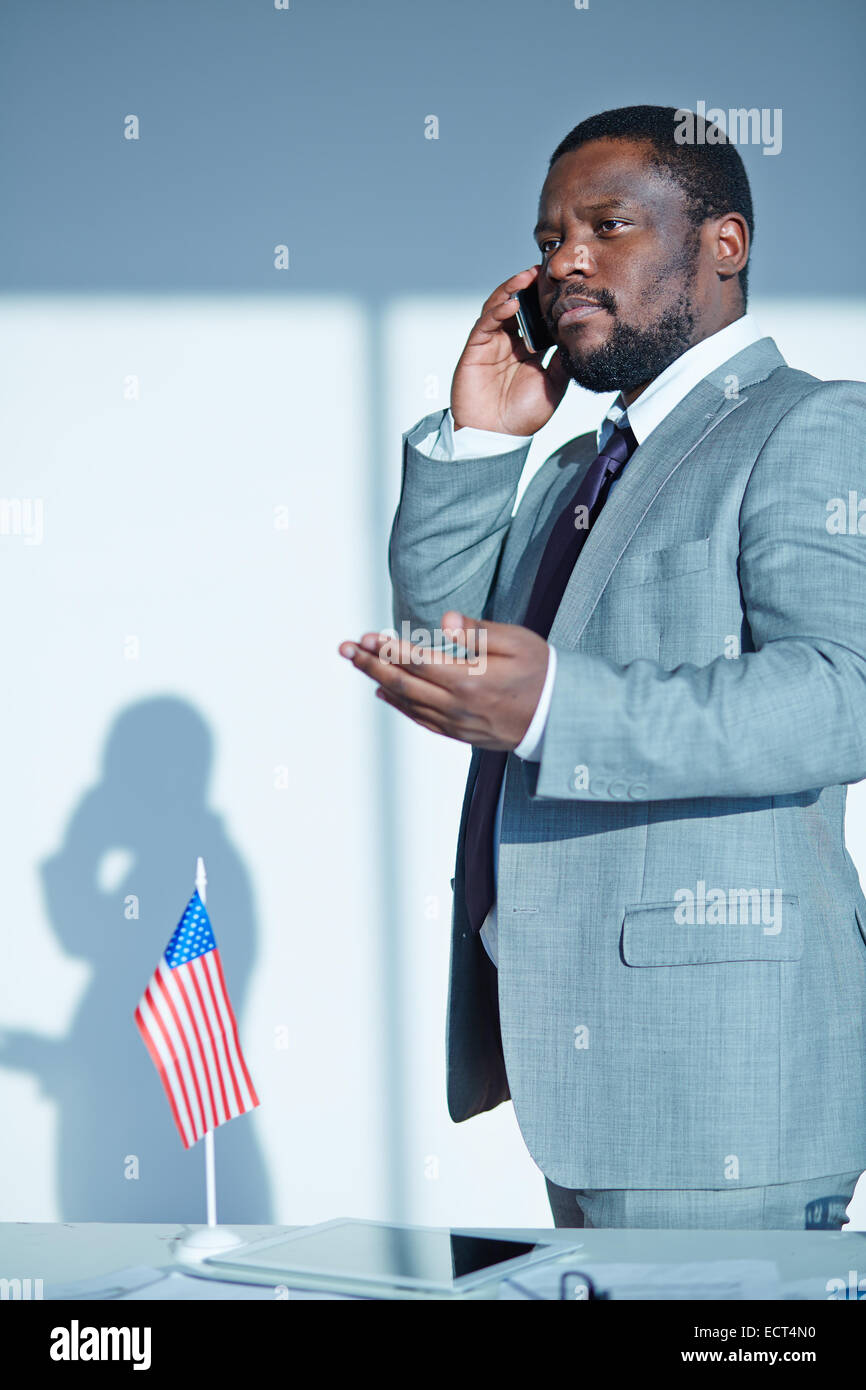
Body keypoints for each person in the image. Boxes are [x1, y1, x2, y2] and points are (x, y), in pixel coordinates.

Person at [339, 105, 866, 1230]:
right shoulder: (578, 463)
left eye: (606, 225)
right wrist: (481, 439)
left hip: (722, 1076)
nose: (562, 262)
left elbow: (841, 694)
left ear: (722, 243)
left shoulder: (810, 425)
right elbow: (455, 651)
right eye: (545, 241)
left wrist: (558, 706)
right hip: (581, 1054)